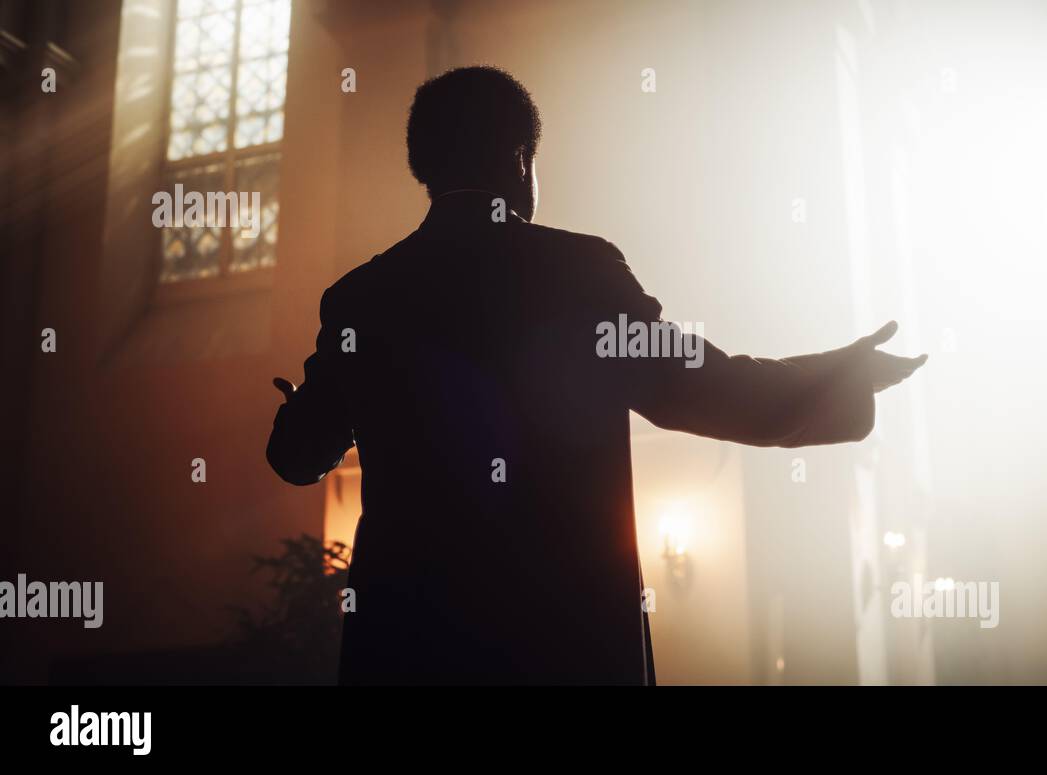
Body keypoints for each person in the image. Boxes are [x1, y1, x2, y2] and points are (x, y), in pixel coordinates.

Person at [266, 66, 927, 685]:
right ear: (521, 158)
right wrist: (839, 377)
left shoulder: (362, 297)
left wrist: (308, 405)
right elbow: (695, 386)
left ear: (422, 167)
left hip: (411, 644)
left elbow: (298, 454)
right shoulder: (579, 272)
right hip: (563, 641)